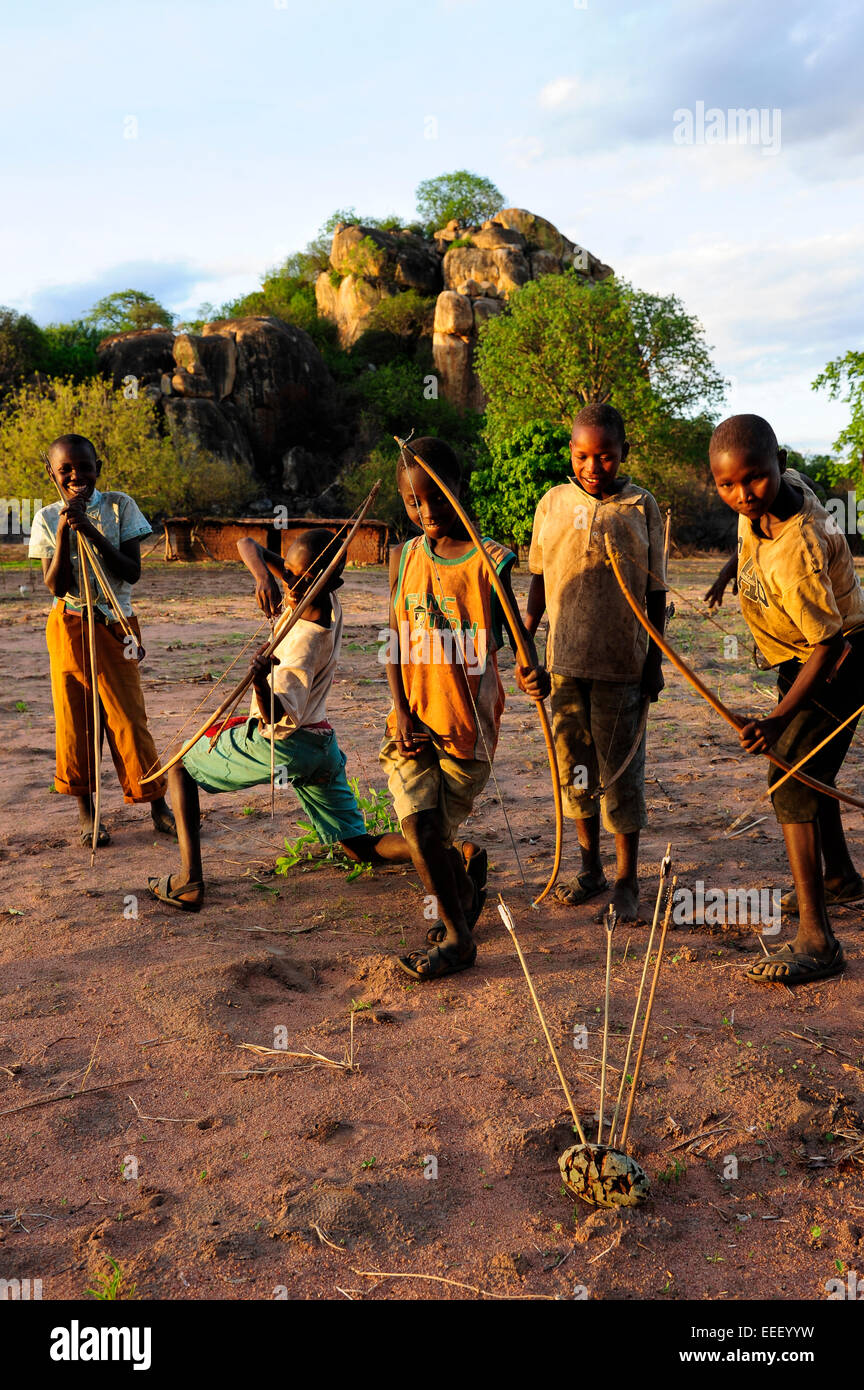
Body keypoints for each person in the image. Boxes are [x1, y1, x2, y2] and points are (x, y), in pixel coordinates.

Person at [146, 528, 405, 910]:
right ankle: (443, 851)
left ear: (332, 580)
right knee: (357, 846)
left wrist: (261, 680)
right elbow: (246, 544)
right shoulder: (320, 593)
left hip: (288, 744)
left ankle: (189, 881)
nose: (292, 584)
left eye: (302, 579)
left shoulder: (306, 639)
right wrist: (265, 576)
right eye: (289, 573)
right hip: (321, 744)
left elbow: (278, 719)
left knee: (181, 766)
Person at [381, 436, 549, 981]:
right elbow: (394, 636)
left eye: (435, 496)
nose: (425, 511)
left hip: (466, 728)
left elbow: (520, 643)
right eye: (412, 502)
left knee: (435, 834)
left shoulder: (492, 560)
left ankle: (465, 881)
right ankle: (459, 939)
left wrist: (533, 672)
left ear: (460, 488)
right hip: (411, 720)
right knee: (419, 826)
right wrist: (399, 706)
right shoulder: (403, 556)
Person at [706, 413, 864, 985]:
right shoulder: (785, 487)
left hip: (839, 662)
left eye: (754, 479)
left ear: (776, 465)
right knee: (811, 770)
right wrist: (730, 571)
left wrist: (774, 721)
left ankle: (818, 940)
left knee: (790, 777)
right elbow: (752, 536)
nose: (743, 495)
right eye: (728, 484)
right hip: (798, 658)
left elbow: (829, 644)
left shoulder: (796, 547)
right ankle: (840, 876)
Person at [525, 403, 666, 921]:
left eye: (605, 456)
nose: (593, 467)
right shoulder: (553, 503)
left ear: (623, 453)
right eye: (583, 456)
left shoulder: (640, 505)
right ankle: (590, 868)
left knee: (622, 773)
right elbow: (538, 579)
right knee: (575, 771)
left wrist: (654, 661)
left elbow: (655, 590)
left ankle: (627, 881)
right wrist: (526, 641)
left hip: (623, 667)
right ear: (571, 453)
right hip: (563, 664)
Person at [28, 434, 174, 846]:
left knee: (129, 719)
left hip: (117, 624)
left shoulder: (120, 505)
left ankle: (156, 803)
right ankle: (87, 814)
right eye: (66, 470)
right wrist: (64, 531)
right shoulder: (45, 517)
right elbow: (56, 587)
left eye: (85, 467)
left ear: (99, 466)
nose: (77, 476)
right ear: (52, 473)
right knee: (77, 721)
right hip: (69, 624)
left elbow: (131, 571)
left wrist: (91, 532)